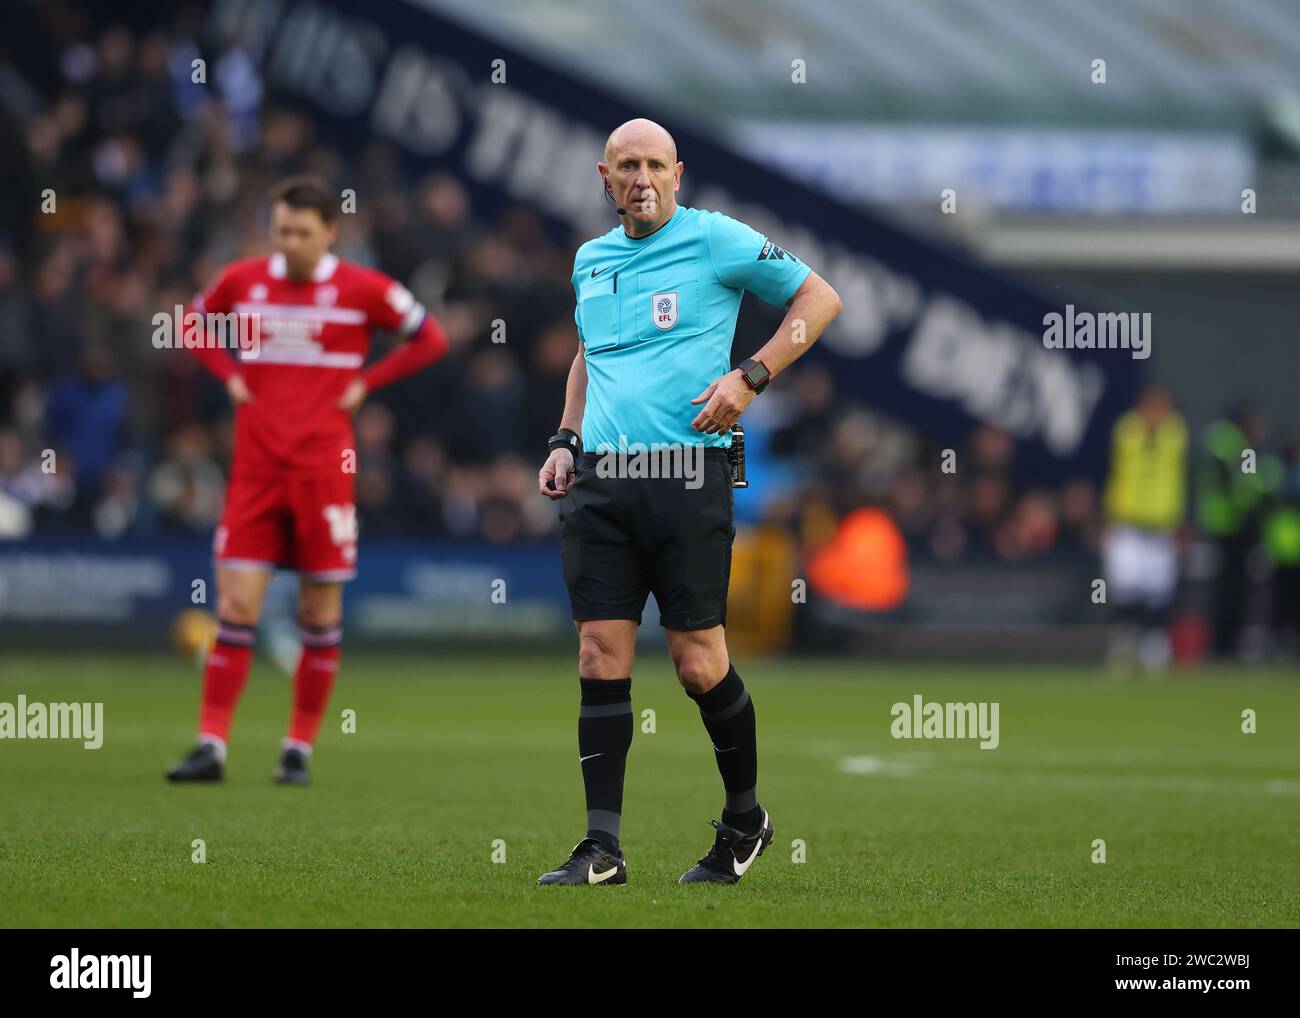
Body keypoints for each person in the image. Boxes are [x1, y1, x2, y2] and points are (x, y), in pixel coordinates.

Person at [535, 119, 843, 885]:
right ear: (603, 178)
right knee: (599, 654)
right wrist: (565, 441)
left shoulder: (715, 240)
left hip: (687, 477)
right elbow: (586, 354)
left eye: (655, 165)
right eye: (626, 166)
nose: (641, 177)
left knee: (698, 664)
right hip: (602, 482)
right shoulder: (591, 260)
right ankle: (601, 848)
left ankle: (745, 820)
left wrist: (752, 377)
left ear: (679, 174)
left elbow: (821, 297)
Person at [166, 176, 448, 785]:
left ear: (329, 232)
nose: (289, 242)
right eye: (281, 230)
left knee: (317, 615)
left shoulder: (362, 289)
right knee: (237, 605)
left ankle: (298, 749)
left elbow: (431, 337)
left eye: (302, 232)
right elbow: (191, 324)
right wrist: (228, 373)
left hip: (324, 474)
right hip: (255, 472)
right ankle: (211, 745)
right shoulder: (243, 281)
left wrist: (366, 382)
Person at [1101, 385, 1187, 671]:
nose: (1156, 413)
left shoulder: (1175, 433)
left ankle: (1153, 647)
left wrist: (1180, 524)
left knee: (1158, 589)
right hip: (1128, 522)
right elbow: (1114, 472)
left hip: (1161, 525)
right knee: (1125, 585)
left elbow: (1181, 479)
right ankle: (1123, 644)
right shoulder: (1127, 430)